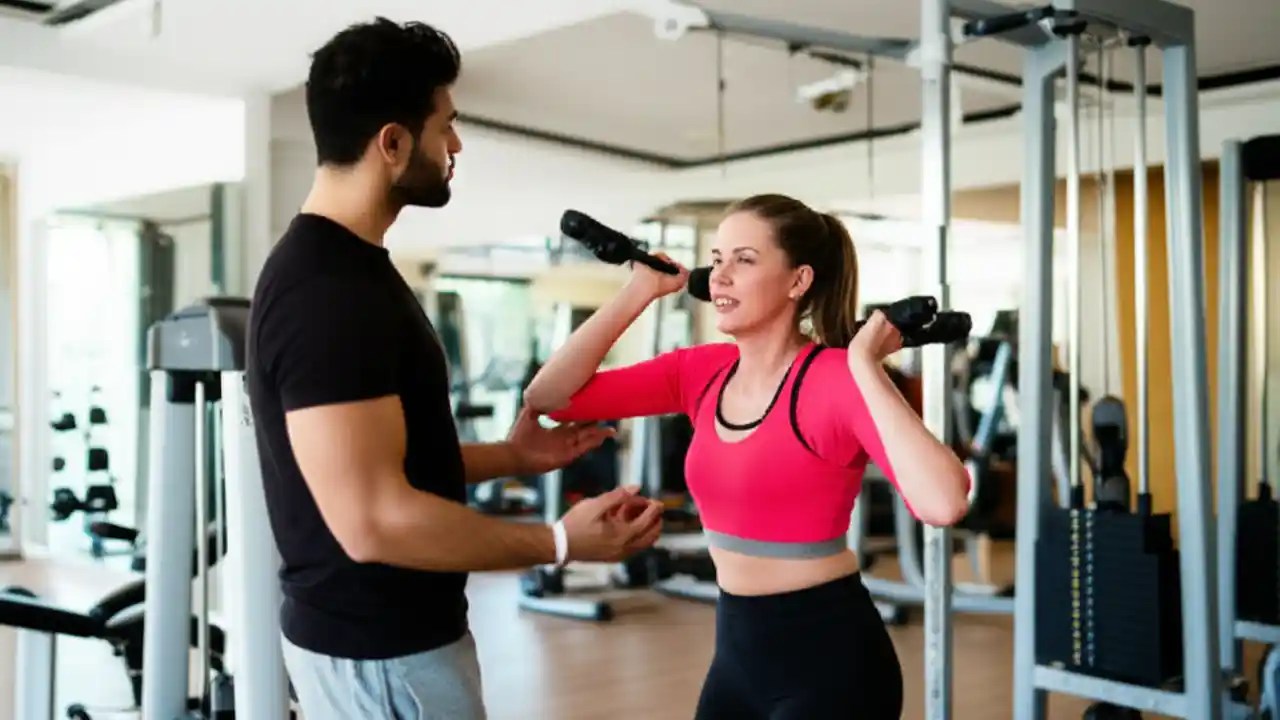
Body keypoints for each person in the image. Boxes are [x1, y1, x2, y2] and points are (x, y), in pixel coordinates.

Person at [245, 18, 663, 720]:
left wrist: (511, 455)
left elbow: (387, 464)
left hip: (392, 645)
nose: (456, 144)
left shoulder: (350, 272)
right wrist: (562, 541)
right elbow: (373, 520)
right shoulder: (327, 293)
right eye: (447, 125)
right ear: (393, 142)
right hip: (379, 654)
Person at [524, 193, 973, 719]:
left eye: (744, 259)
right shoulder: (701, 372)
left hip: (833, 663)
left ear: (798, 281)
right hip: (738, 654)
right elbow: (548, 398)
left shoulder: (837, 378)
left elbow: (944, 505)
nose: (720, 276)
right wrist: (640, 291)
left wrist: (865, 366)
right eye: (716, 260)